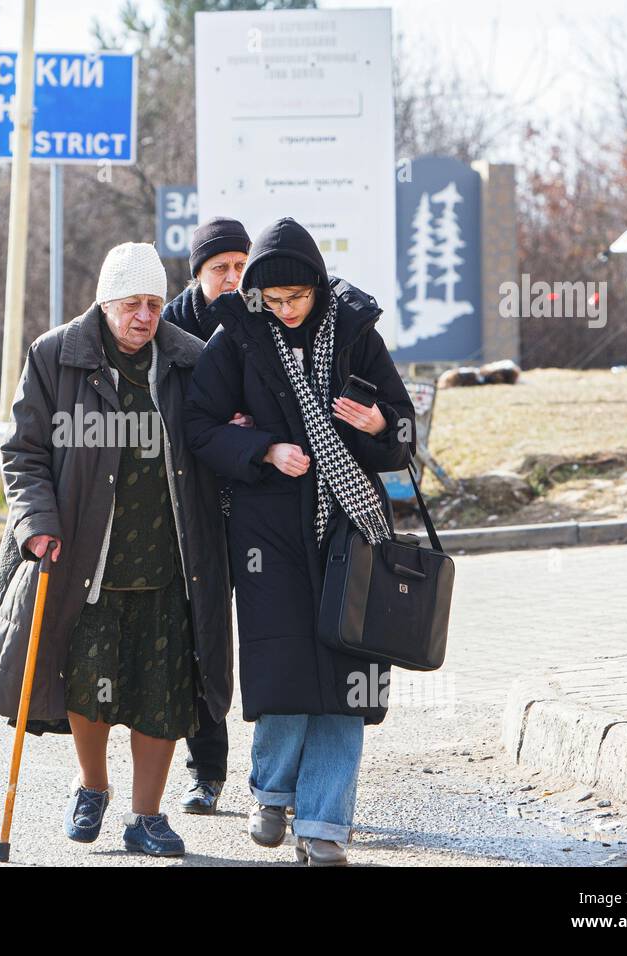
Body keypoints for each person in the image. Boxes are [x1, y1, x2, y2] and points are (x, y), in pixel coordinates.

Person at [0, 241, 233, 857]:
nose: (145, 316)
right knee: (88, 685)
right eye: (132, 304)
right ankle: (92, 785)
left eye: (155, 303)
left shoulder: (190, 361)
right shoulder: (56, 357)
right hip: (86, 558)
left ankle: (147, 816)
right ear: (105, 302)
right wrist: (35, 521)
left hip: (171, 561)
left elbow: (212, 440)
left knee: (163, 692)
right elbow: (24, 452)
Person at [183, 217, 415, 866]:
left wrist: (378, 424)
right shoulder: (237, 339)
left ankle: (323, 827)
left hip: (352, 532)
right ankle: (272, 792)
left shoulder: (357, 334)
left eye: (297, 299)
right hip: (269, 539)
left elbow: (401, 434)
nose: (285, 312)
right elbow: (199, 426)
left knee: (346, 684)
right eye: (273, 300)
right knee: (282, 674)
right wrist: (264, 449)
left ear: (317, 287)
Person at [161, 217, 253, 816]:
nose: (232, 278)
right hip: (189, 501)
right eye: (220, 268)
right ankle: (206, 771)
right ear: (197, 272)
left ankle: (278, 775)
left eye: (241, 267)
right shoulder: (167, 328)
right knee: (201, 636)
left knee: (272, 632)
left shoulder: (260, 319)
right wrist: (221, 430)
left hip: (253, 495)